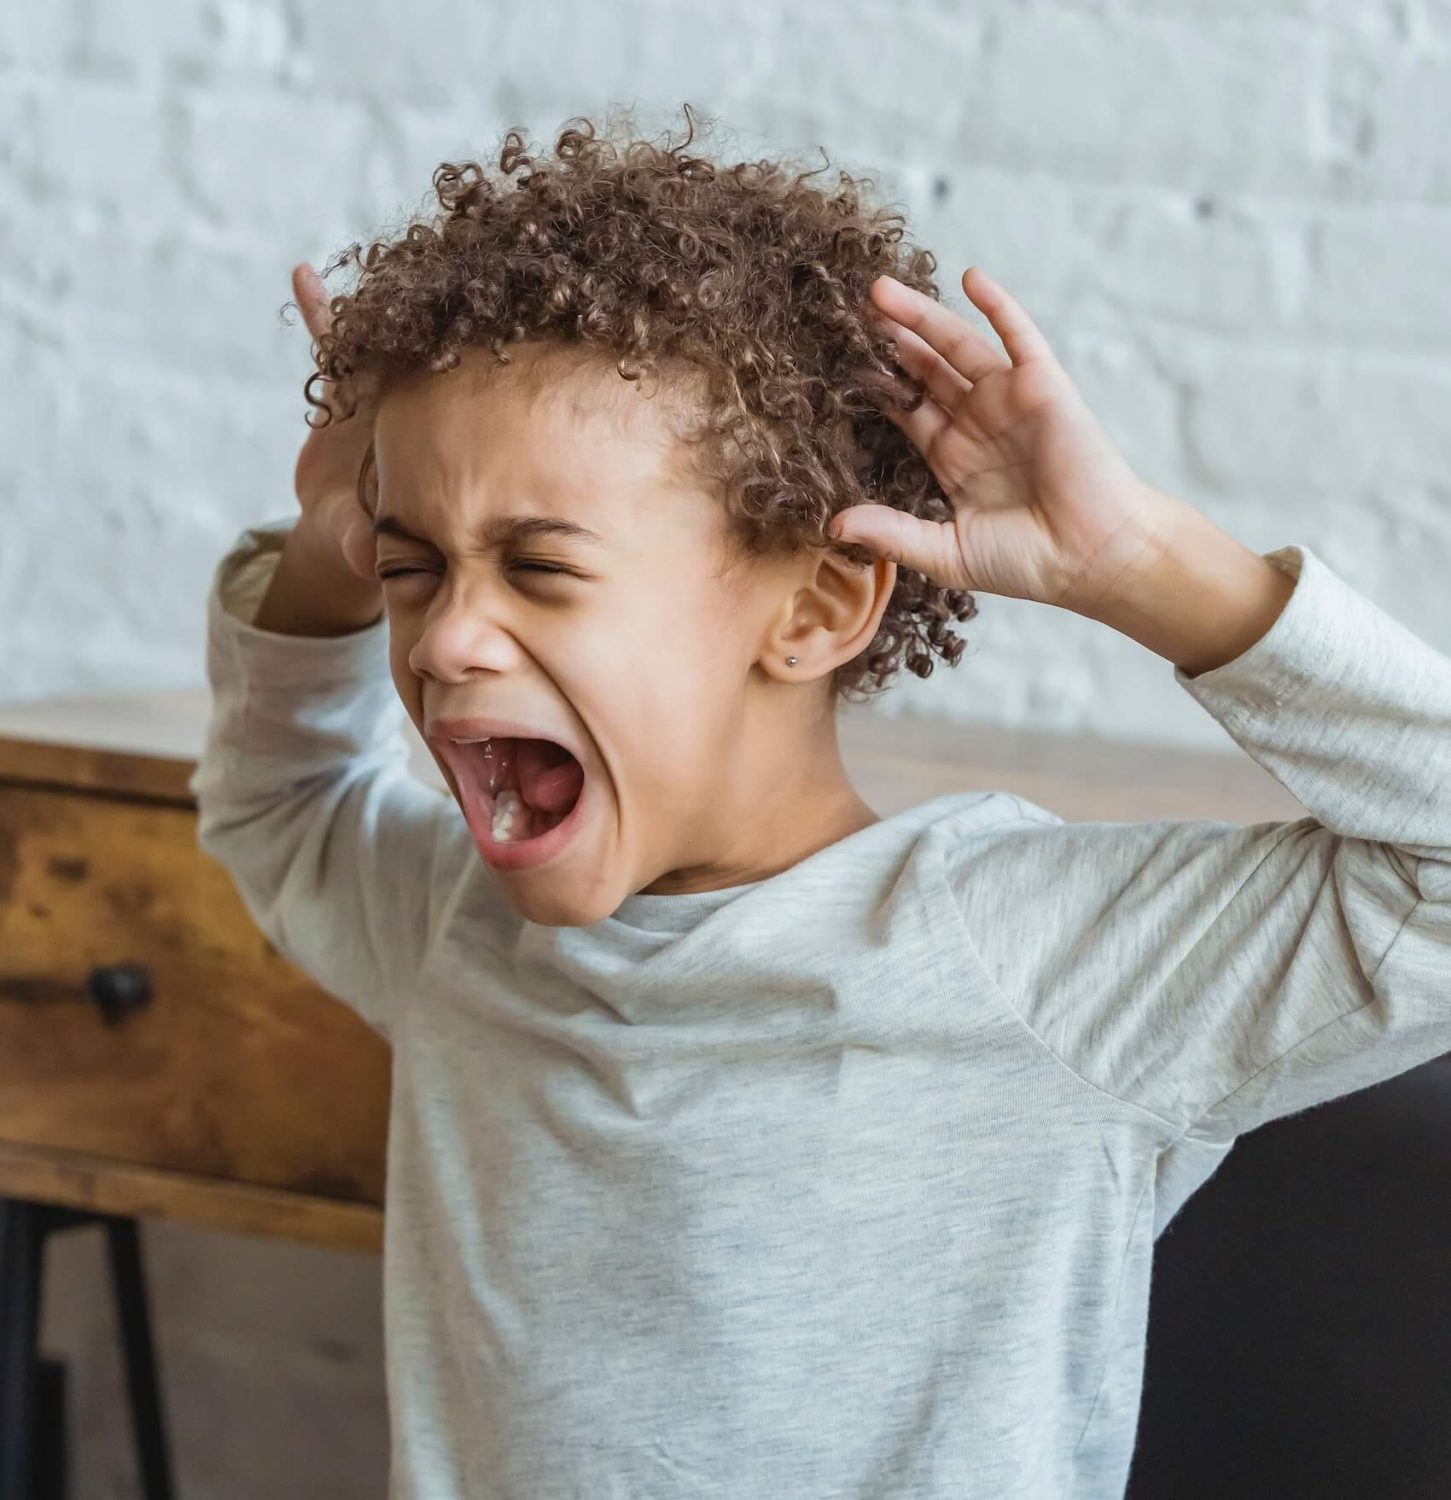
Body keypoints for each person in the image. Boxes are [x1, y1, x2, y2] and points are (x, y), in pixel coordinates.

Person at [189, 108, 1451, 1498]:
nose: (443, 640)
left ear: (813, 608)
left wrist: (1139, 560)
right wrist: (330, 552)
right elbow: (279, 805)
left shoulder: (1036, 964)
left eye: (540, 570)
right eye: (411, 568)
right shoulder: (457, 931)